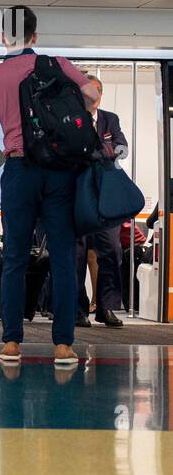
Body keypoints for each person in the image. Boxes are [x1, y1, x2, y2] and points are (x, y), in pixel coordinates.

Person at [0, 6, 100, 367]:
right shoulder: (57, 64)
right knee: (62, 256)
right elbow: (91, 94)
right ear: (34, 37)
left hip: (19, 170)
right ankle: (63, 346)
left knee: (14, 256)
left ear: (2, 38)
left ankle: (11, 343)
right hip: (61, 172)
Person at [75, 75, 129, 329]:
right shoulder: (70, 119)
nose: (91, 95)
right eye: (86, 91)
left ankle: (106, 307)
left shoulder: (110, 119)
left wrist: (105, 152)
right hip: (79, 196)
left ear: (101, 94)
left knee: (112, 251)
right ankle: (77, 310)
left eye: (95, 91)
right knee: (76, 253)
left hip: (106, 197)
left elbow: (121, 147)